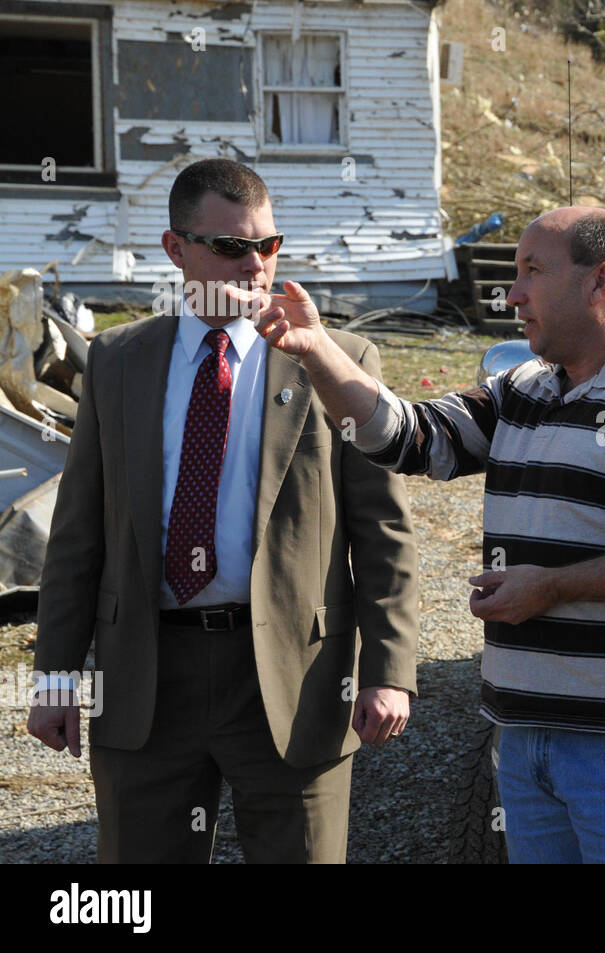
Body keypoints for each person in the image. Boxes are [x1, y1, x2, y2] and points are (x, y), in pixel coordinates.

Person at [239, 206, 605, 863]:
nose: (511, 294)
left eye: (532, 271)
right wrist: (314, 348)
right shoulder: (523, 390)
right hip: (524, 735)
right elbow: (407, 436)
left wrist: (553, 589)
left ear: (600, 282)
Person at [27, 157, 420, 863]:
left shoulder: (335, 359)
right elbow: (78, 534)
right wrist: (55, 674)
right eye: (231, 247)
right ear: (176, 249)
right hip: (148, 678)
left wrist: (389, 668)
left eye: (267, 245)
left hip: (291, 677)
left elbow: (384, 531)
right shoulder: (117, 361)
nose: (255, 266)